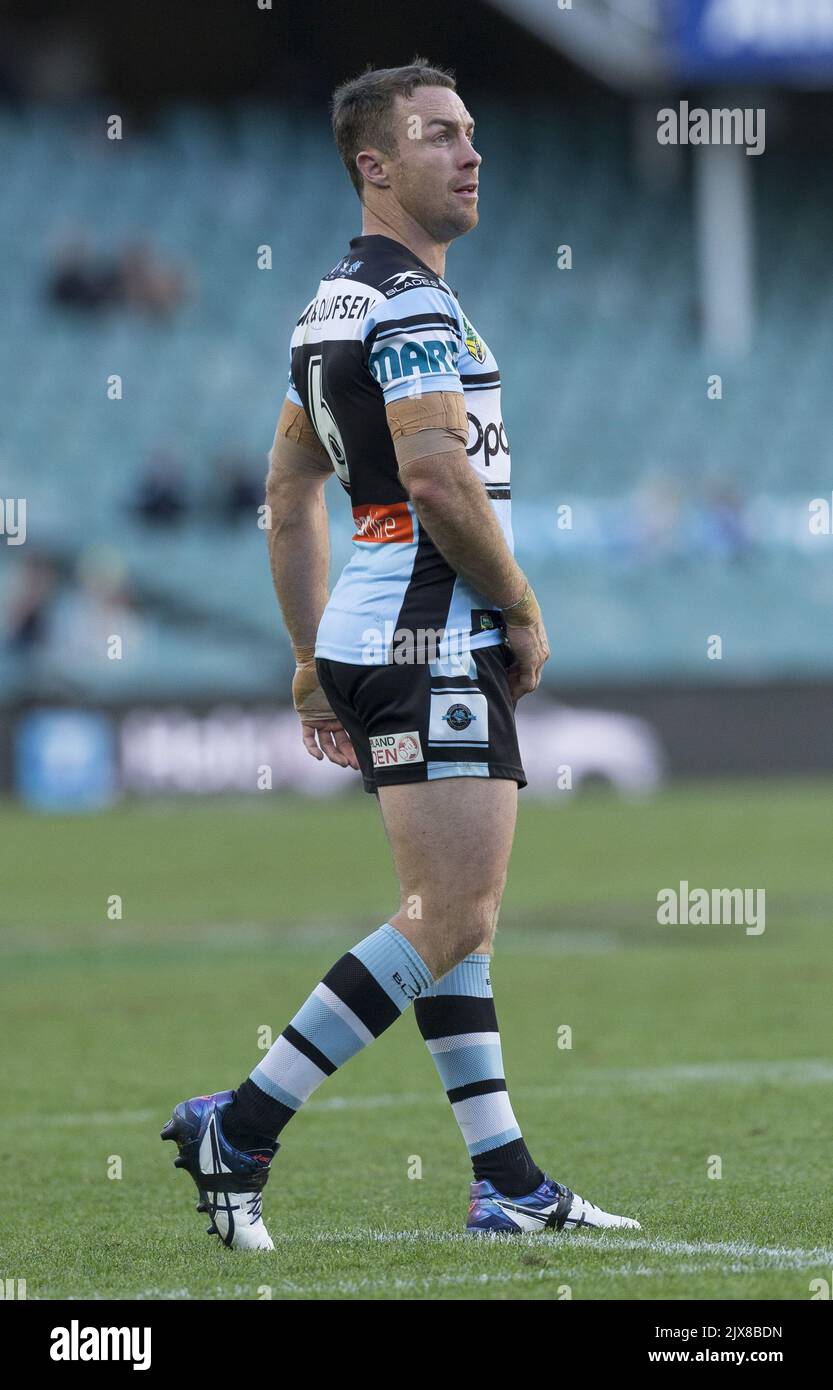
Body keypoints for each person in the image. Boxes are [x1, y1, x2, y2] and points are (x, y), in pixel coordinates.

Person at [162, 59, 640, 1248]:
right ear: (373, 165)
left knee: (456, 920)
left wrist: (310, 660)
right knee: (446, 914)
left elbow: (287, 498)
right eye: (438, 135)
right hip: (435, 634)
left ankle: (507, 1180)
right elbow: (433, 476)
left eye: (471, 132)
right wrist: (519, 605)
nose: (469, 152)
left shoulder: (329, 305)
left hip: (374, 635)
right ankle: (246, 1122)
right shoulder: (411, 306)